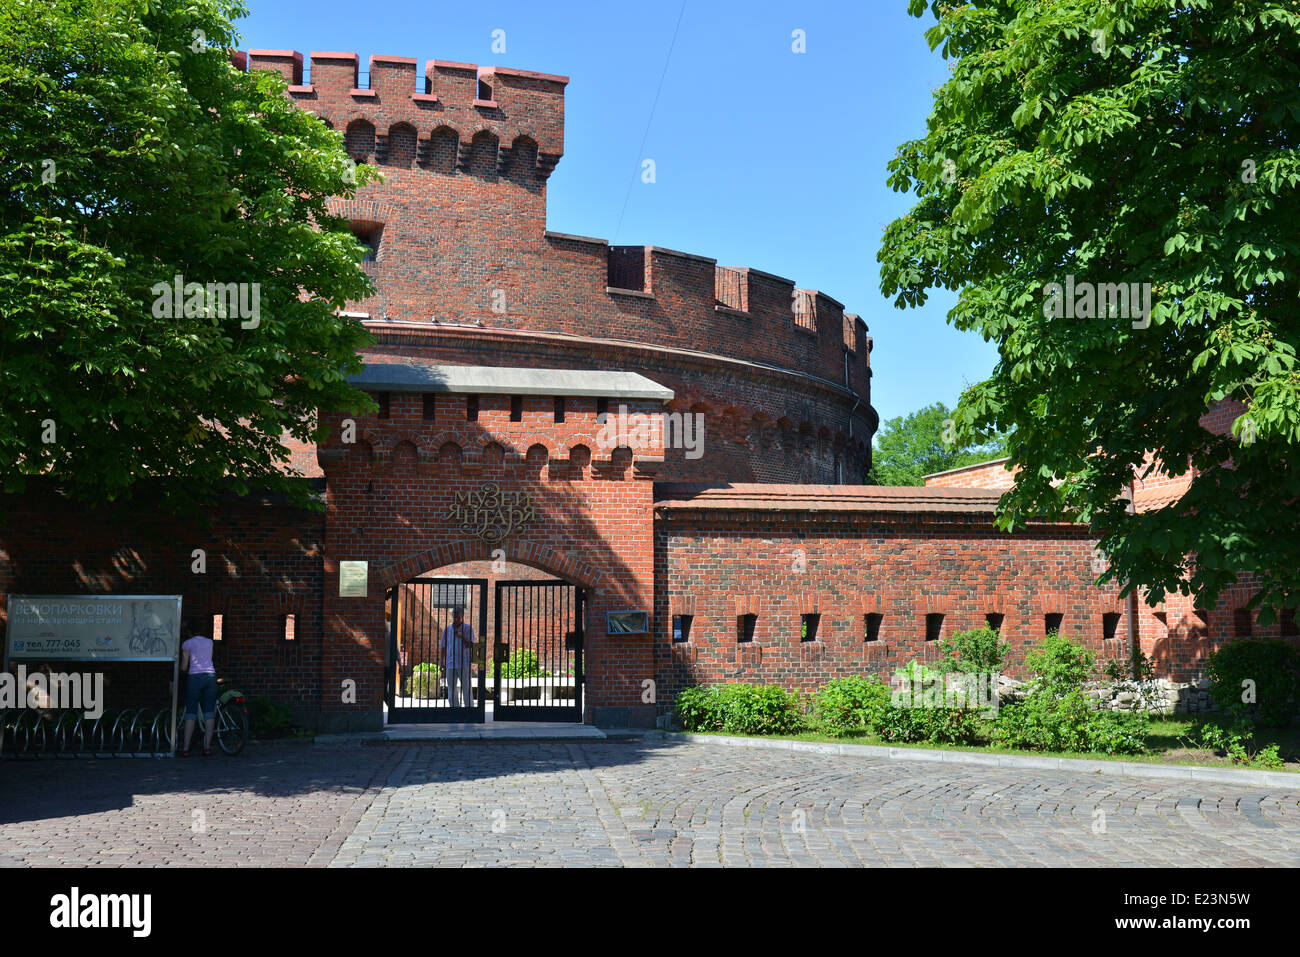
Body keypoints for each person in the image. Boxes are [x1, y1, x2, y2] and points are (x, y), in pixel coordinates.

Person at [178, 620, 217, 756]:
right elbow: (209, 659)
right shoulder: (210, 642)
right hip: (210, 676)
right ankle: (207, 747)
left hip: (195, 677)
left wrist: (182, 670)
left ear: (189, 631)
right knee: (209, 712)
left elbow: (184, 666)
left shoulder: (187, 643)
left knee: (191, 712)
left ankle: (186, 748)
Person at [439, 606, 475, 708]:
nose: (455, 619)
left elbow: (471, 645)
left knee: (466, 688)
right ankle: (455, 710)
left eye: (458, 617)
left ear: (462, 617)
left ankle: (469, 710)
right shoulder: (447, 630)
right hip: (450, 663)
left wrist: (461, 636)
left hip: (464, 663)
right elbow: (443, 647)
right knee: (451, 689)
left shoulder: (468, 628)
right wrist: (441, 662)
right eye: (454, 617)